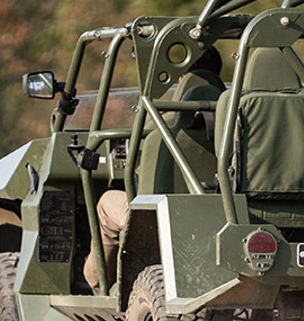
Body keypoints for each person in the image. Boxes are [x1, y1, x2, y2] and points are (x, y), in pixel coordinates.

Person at [82, 46, 224, 291]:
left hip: (158, 216)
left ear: (180, 78)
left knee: (106, 203)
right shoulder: (239, 121)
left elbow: (139, 168)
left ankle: (98, 282)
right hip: (224, 212)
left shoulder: (162, 123)